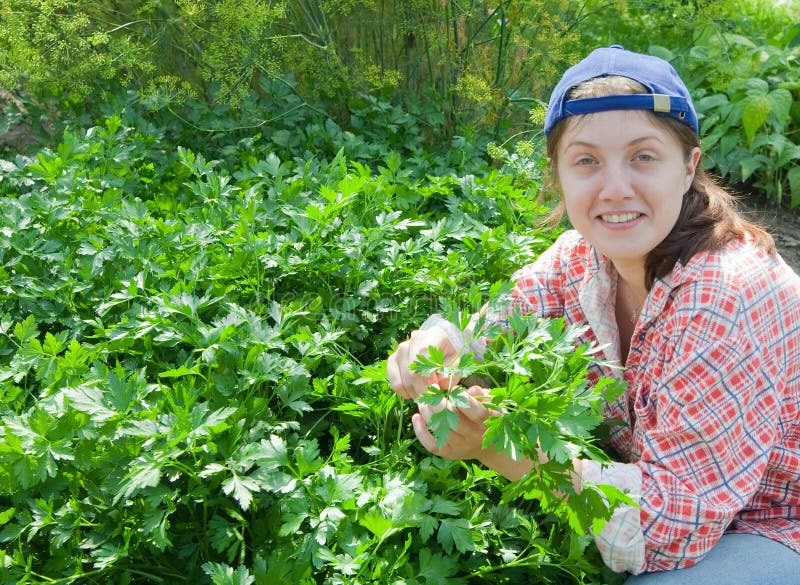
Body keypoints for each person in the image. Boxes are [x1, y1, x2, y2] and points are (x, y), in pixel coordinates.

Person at [386, 46, 800, 583]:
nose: (615, 188)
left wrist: (505, 451)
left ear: (688, 168)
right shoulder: (582, 259)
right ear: (559, 175)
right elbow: (493, 326)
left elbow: (676, 523)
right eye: (586, 161)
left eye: (643, 156)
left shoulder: (726, 293)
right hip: (703, 502)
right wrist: (438, 347)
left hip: (773, 519)